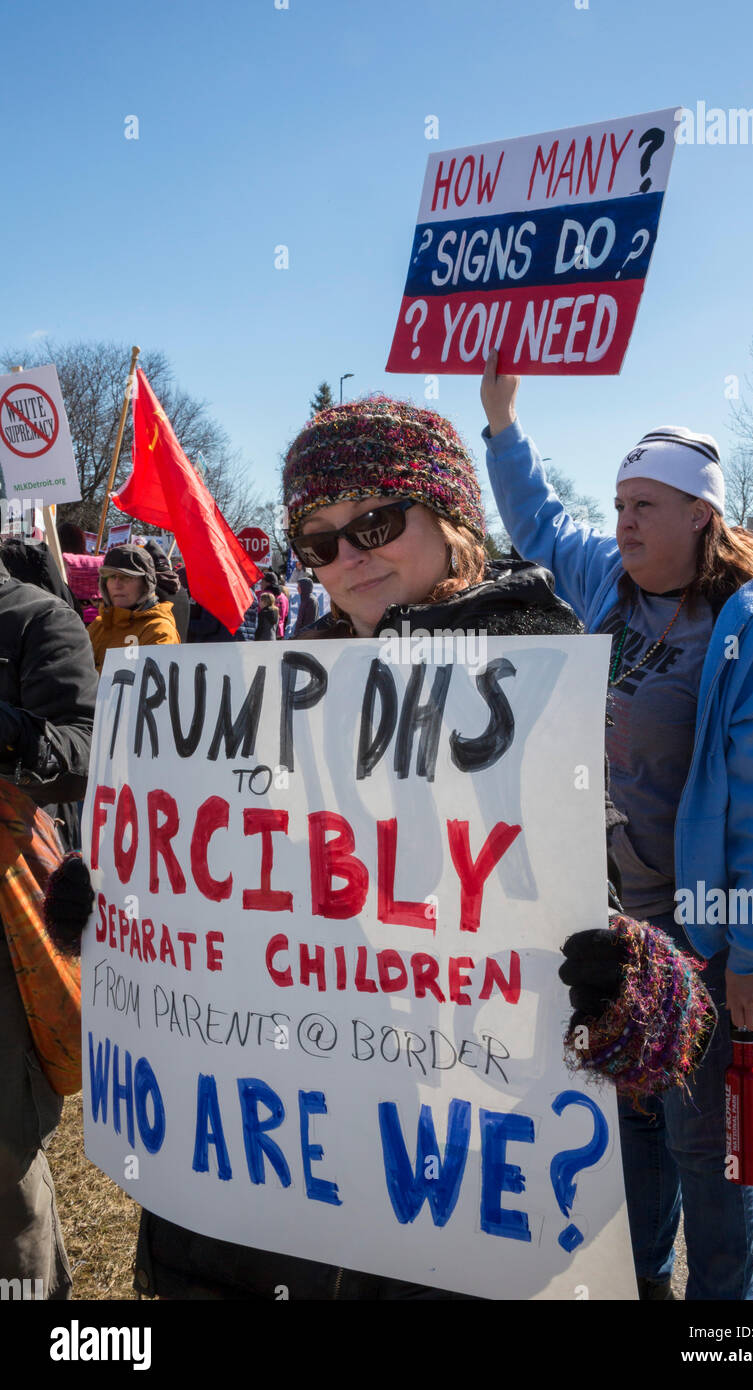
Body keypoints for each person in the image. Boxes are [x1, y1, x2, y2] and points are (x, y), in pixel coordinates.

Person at [111, 394, 712, 1300]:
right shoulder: (263, 696)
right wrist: (117, 920)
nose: (347, 557)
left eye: (376, 522)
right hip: (271, 1191)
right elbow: (220, 898)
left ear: (453, 523)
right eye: (318, 540)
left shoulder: (539, 681)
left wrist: (638, 994)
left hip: (463, 1189)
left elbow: (622, 948)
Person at [479, 351, 753, 1301]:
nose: (622, 520)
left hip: (698, 933)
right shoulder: (609, 591)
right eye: (620, 502)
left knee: (702, 1142)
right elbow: (542, 522)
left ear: (702, 516)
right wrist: (504, 424)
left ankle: (727, 1314)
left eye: (645, 506)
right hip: (612, 924)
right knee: (628, 1115)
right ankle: (645, 1284)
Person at [0, 547, 98, 1299]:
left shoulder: (37, 618)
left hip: (7, 934)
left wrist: (7, 732)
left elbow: (86, 753)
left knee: (5, 1172)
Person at [87, 544, 180, 674]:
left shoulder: (159, 630)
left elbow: (149, 688)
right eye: (111, 576)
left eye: (127, 577)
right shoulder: (97, 625)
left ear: (146, 584)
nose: (117, 585)